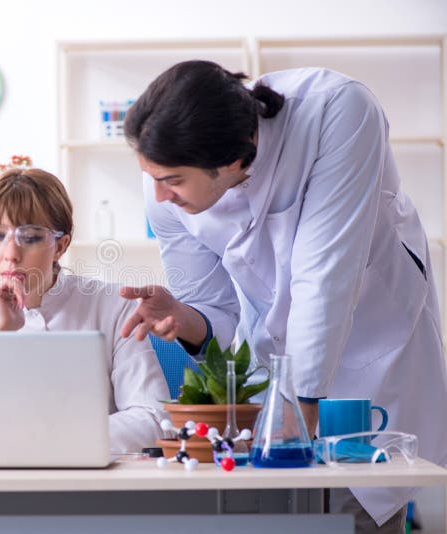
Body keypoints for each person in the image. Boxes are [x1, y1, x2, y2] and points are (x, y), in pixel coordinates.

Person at [121, 60, 447, 533]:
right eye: (152, 177)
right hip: (274, 368)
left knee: (356, 509)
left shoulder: (336, 110)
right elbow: (219, 315)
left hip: (373, 345)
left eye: (172, 180)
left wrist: (299, 406)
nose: (158, 195)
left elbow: (325, 276)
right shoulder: (167, 188)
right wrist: (184, 317)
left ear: (232, 160)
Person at [0, 167, 170, 453]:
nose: (10, 254)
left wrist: (46, 440)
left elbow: (153, 419)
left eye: (30, 238)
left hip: (86, 473)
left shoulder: (112, 305)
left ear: (60, 246)